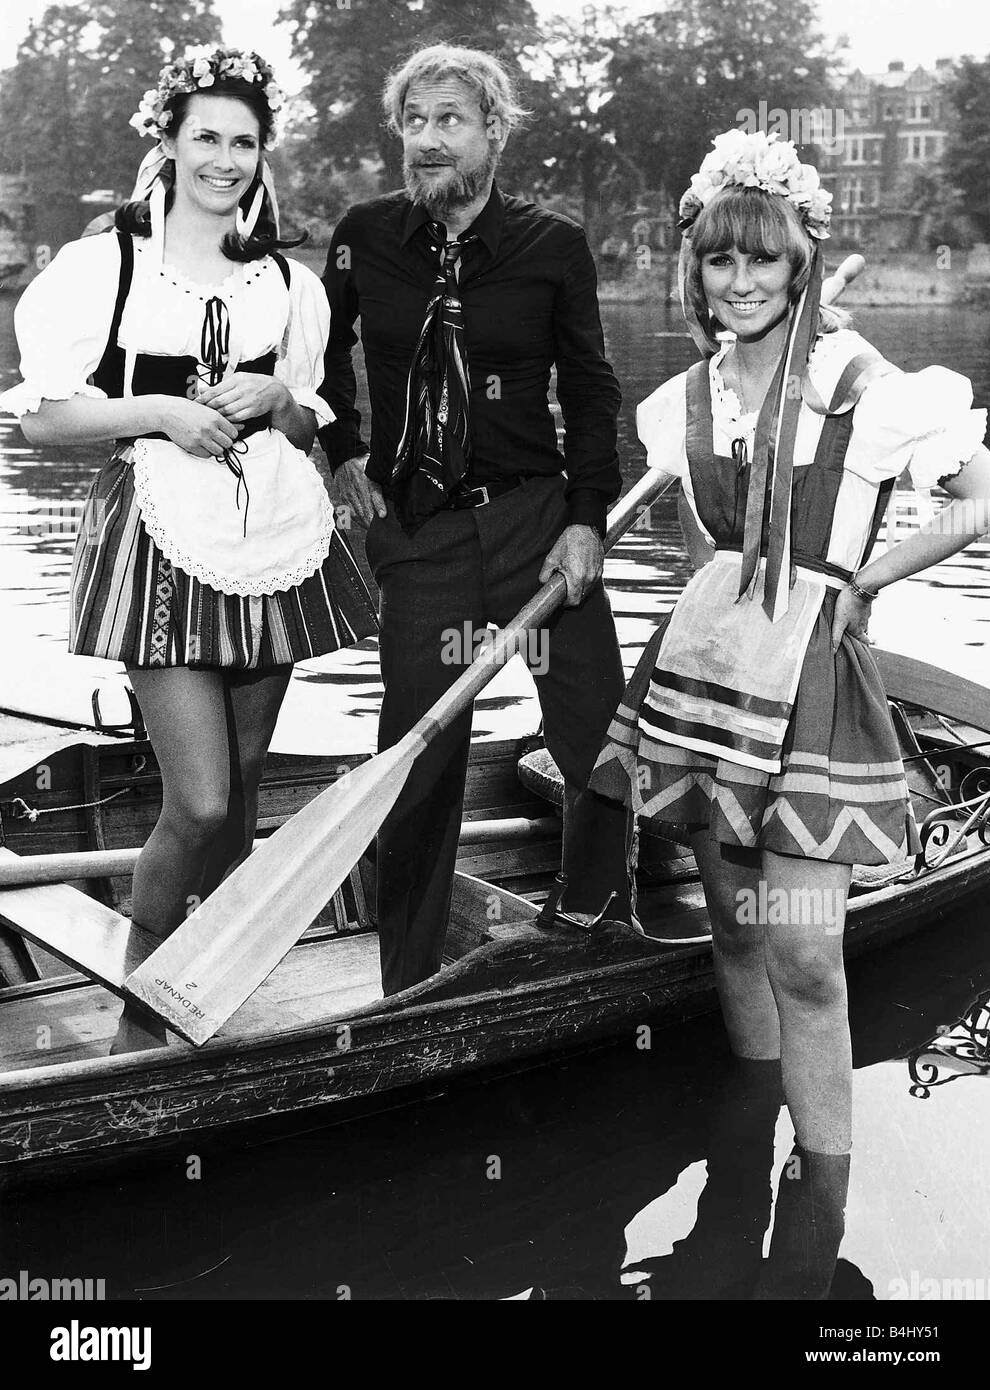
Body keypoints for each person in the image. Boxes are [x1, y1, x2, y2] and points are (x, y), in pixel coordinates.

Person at [590, 129, 990, 1296]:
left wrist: (863, 582)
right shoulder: (679, 403)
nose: (743, 281)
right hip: (709, 683)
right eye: (721, 261)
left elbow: (975, 503)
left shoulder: (867, 386)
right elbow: (703, 546)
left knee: (807, 949)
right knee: (730, 917)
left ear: (806, 260)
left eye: (766, 259)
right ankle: (750, 1103)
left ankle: (820, 1202)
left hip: (813, 686)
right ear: (696, 269)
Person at [0, 46, 377, 1053]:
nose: (223, 158)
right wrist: (163, 408)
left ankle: (213, 983)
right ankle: (141, 1014)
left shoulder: (289, 289)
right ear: (166, 142)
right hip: (161, 540)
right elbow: (41, 422)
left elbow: (309, 426)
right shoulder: (105, 266)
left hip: (275, 538)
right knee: (200, 796)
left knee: (246, 782)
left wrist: (280, 401)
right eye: (204, 136)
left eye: (242, 141)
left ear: (263, 154)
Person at [319, 44, 632, 996]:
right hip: (423, 537)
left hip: (539, 527)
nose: (426, 140)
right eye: (414, 122)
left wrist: (587, 520)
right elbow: (315, 357)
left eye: (448, 119)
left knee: (598, 739)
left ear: (495, 130)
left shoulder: (551, 246)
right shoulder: (365, 237)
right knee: (416, 762)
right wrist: (341, 456)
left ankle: (594, 927)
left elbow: (588, 390)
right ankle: (406, 983)